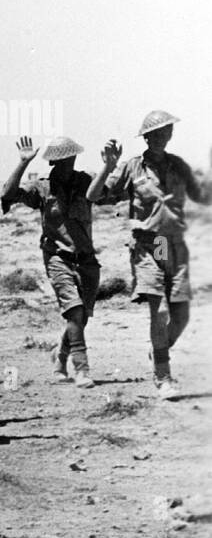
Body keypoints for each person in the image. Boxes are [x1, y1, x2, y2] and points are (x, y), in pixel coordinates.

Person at [91, 110, 210, 398]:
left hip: (175, 244)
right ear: (146, 137)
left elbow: (203, 197)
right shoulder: (133, 167)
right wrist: (107, 167)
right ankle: (163, 375)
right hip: (150, 244)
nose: (160, 137)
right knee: (160, 311)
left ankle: (158, 352)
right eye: (155, 133)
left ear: (170, 134)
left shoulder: (178, 166)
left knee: (180, 317)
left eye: (165, 132)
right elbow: (94, 197)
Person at [2, 135, 110, 388]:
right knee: (75, 311)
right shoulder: (42, 188)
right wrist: (23, 163)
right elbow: (8, 193)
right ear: (52, 162)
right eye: (61, 160)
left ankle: (59, 356)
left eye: (70, 158)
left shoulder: (85, 182)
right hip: (57, 258)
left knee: (80, 318)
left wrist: (108, 166)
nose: (67, 163)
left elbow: (103, 194)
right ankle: (81, 369)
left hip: (86, 259)